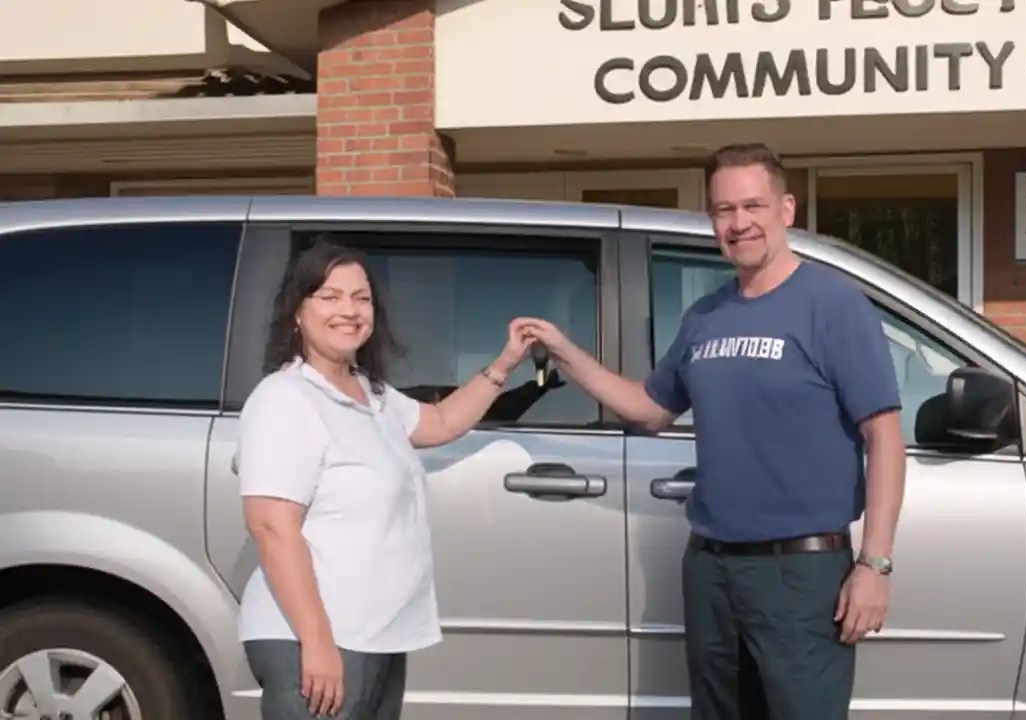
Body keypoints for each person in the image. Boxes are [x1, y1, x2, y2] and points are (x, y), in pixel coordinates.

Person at [517, 142, 908, 719]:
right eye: (724, 210)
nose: (739, 223)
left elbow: (885, 436)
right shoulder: (706, 316)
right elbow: (650, 408)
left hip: (801, 574)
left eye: (753, 205)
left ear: (787, 209)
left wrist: (873, 566)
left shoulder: (832, 305)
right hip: (711, 570)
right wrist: (565, 353)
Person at [235, 240, 536, 719]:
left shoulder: (368, 394)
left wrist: (503, 365)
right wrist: (316, 643)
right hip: (318, 639)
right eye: (330, 297)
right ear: (297, 310)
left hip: (373, 635)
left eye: (361, 297)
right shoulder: (285, 400)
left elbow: (439, 422)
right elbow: (272, 526)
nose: (349, 311)